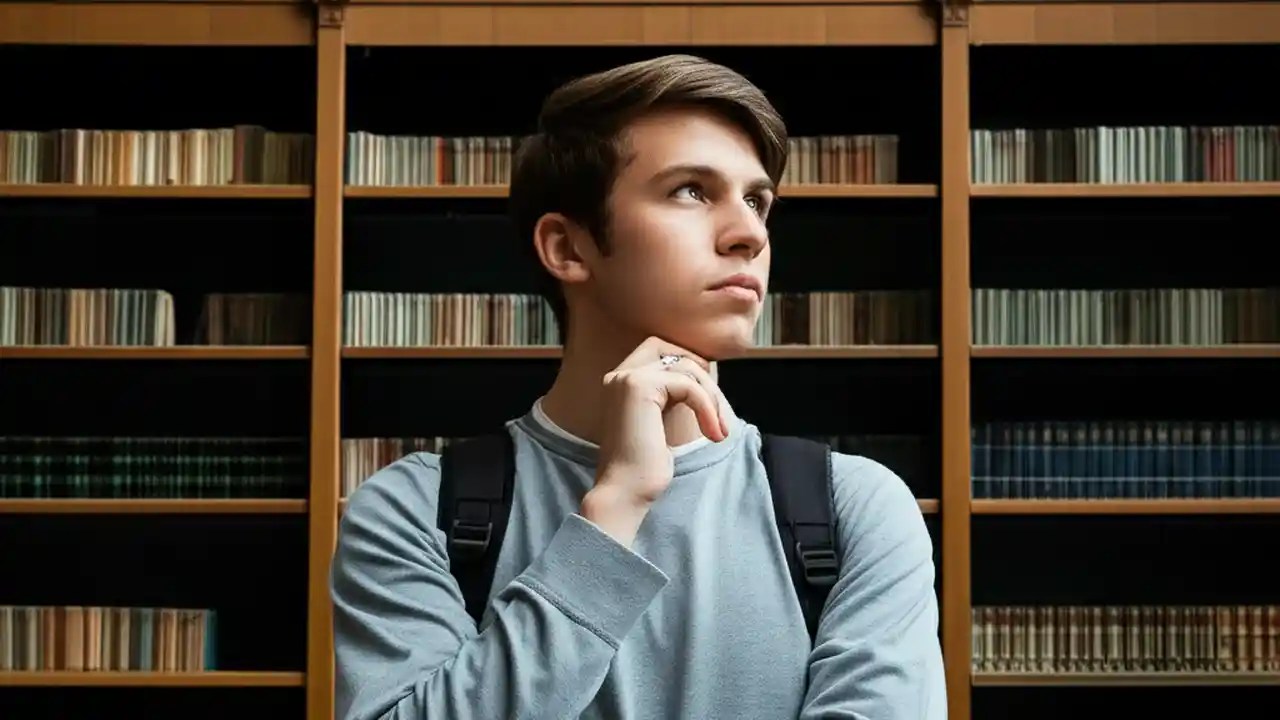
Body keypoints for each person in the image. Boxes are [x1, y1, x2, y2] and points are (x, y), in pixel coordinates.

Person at [330, 53, 947, 719]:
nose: (749, 234)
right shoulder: (411, 511)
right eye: (690, 190)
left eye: (757, 200)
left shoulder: (859, 509)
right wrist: (615, 509)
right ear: (567, 248)